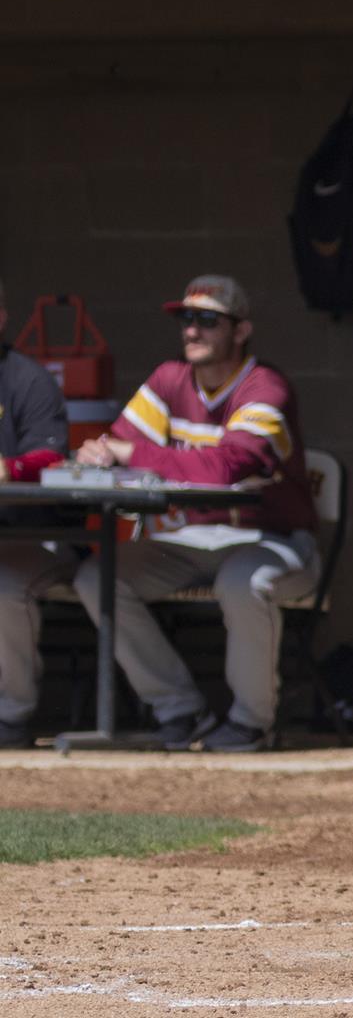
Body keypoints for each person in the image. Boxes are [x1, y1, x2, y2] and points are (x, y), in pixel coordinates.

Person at [71, 275, 318, 753]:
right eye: (186, 319)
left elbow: (225, 468)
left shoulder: (265, 387)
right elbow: (117, 444)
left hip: (275, 540)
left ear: (240, 331)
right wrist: (102, 453)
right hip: (193, 540)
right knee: (95, 578)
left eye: (208, 320)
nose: (192, 331)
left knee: (243, 583)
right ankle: (181, 709)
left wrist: (129, 452)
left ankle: (252, 724)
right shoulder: (170, 379)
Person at [0, 277, 75, 747]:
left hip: (34, 534)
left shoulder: (26, 378)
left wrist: (10, 468)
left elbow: (52, 457)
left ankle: (10, 715)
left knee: (3, 585)